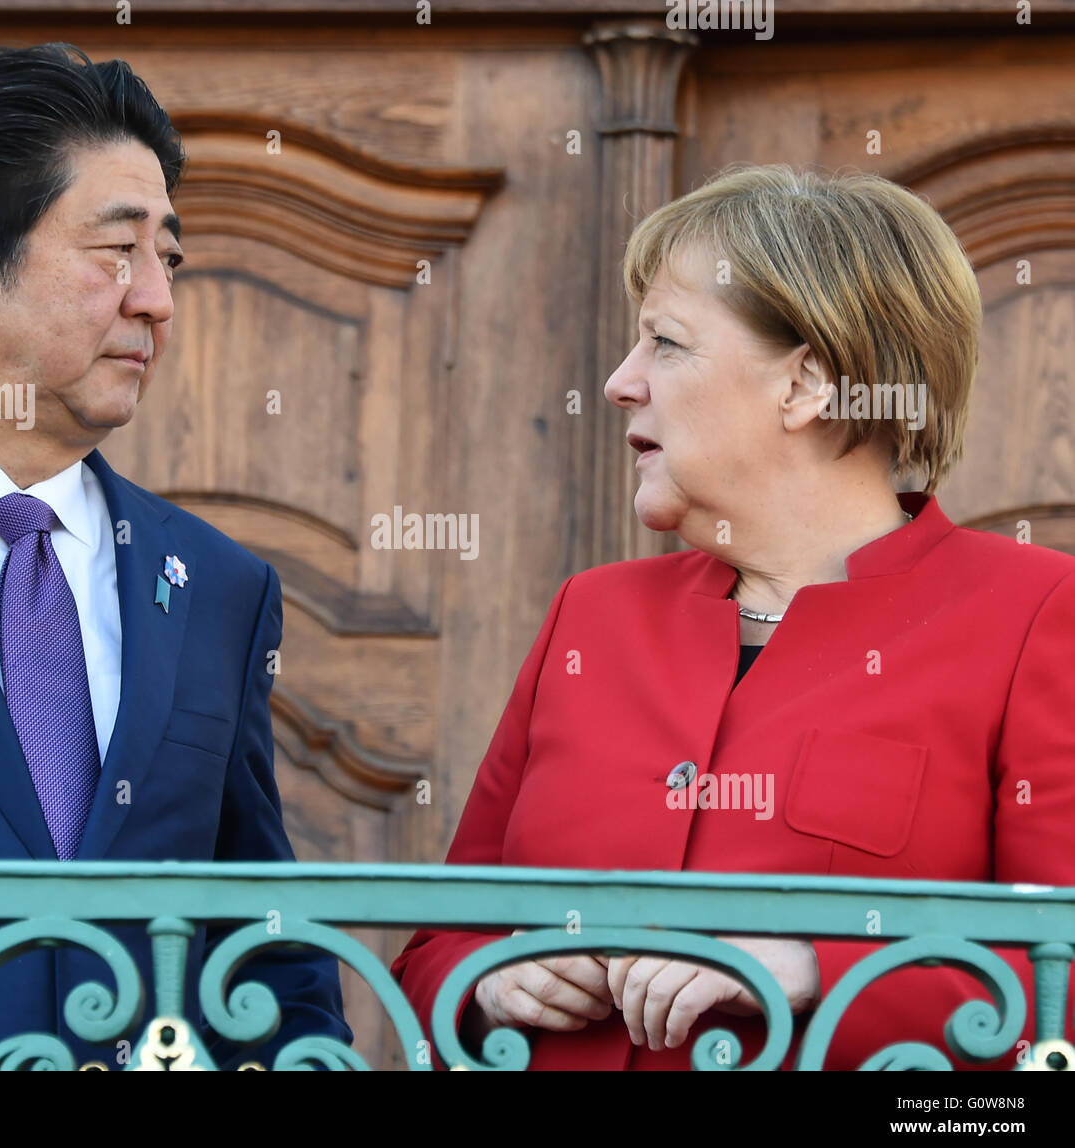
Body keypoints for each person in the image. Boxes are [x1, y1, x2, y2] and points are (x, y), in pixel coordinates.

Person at [392, 164, 1075, 1071]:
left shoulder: (1033, 613)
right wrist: (487, 984)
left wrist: (820, 965)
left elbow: (1059, 989)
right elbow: (434, 951)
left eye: (666, 344)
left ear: (808, 384)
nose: (619, 382)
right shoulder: (587, 616)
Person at [0, 43, 350, 1070]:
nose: (157, 301)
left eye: (167, 258)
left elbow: (264, 941)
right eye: (115, 251)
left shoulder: (216, 586)